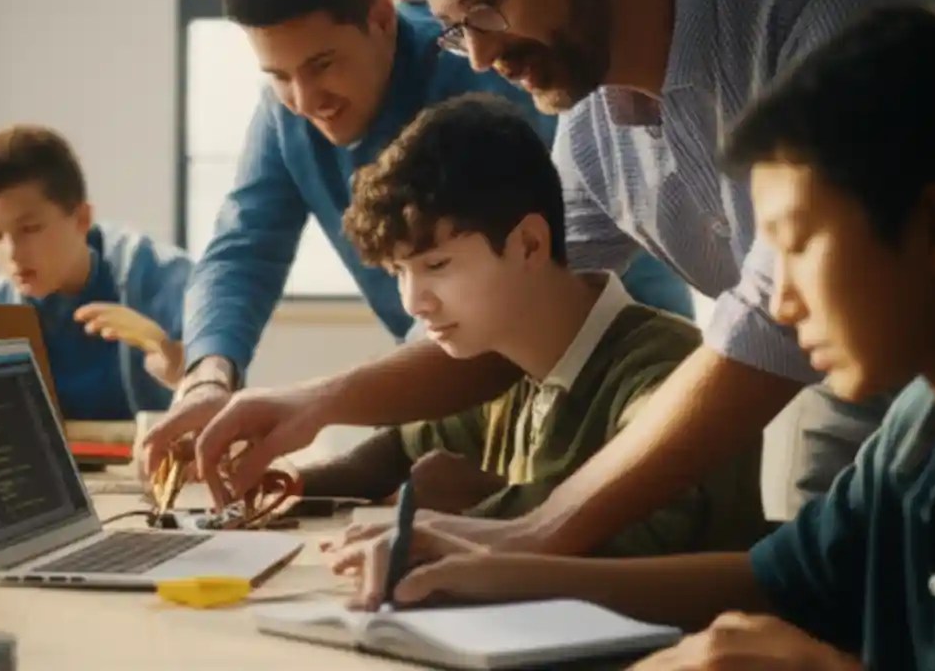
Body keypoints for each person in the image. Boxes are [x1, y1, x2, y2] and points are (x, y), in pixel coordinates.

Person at [145, 0, 935, 566]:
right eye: (458, 29)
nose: (476, 55)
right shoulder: (590, 132)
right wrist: (312, 404)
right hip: (869, 408)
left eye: (486, 7)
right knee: (832, 600)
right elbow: (509, 316)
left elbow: (766, 320)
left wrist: (543, 528)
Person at [341, 8, 935, 670]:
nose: (781, 302)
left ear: (934, 229)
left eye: (796, 246)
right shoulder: (916, 433)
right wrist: (501, 572)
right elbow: (769, 580)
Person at [168, 0, 694, 429]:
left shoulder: (504, 74)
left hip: (616, 369)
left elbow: (526, 297)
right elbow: (241, 252)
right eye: (279, 76)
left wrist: (322, 402)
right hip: (458, 379)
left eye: (322, 65)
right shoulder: (286, 119)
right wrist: (208, 375)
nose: (306, 101)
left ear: (380, 17)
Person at [299, 93, 764, 555]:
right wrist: (288, 483)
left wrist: (485, 501)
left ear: (528, 244)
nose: (414, 302)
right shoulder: (503, 362)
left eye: (437, 265)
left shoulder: (665, 370)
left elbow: (646, 532)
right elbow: (403, 452)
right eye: (400, 272)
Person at [0, 124, 191, 419]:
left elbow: (224, 402)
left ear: (82, 218)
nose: (12, 254)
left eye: (29, 229)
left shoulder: (166, 281)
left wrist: (181, 368)